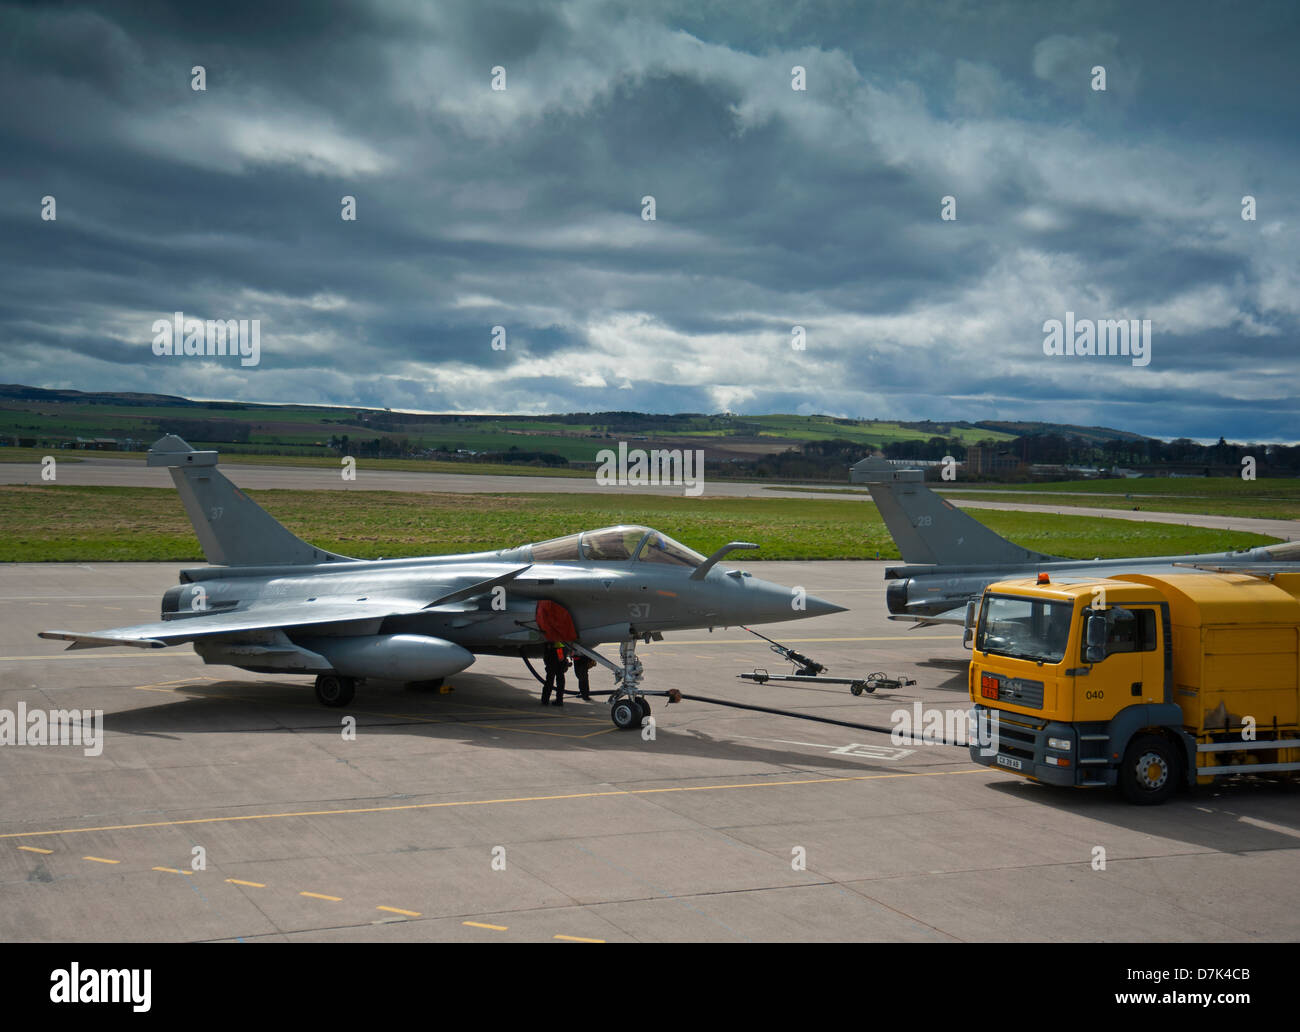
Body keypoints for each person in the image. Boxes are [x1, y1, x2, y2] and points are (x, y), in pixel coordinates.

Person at [541, 642, 568, 706]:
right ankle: (559, 700)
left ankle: (545, 700)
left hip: (553, 650)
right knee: (560, 678)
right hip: (561, 650)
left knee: (550, 678)